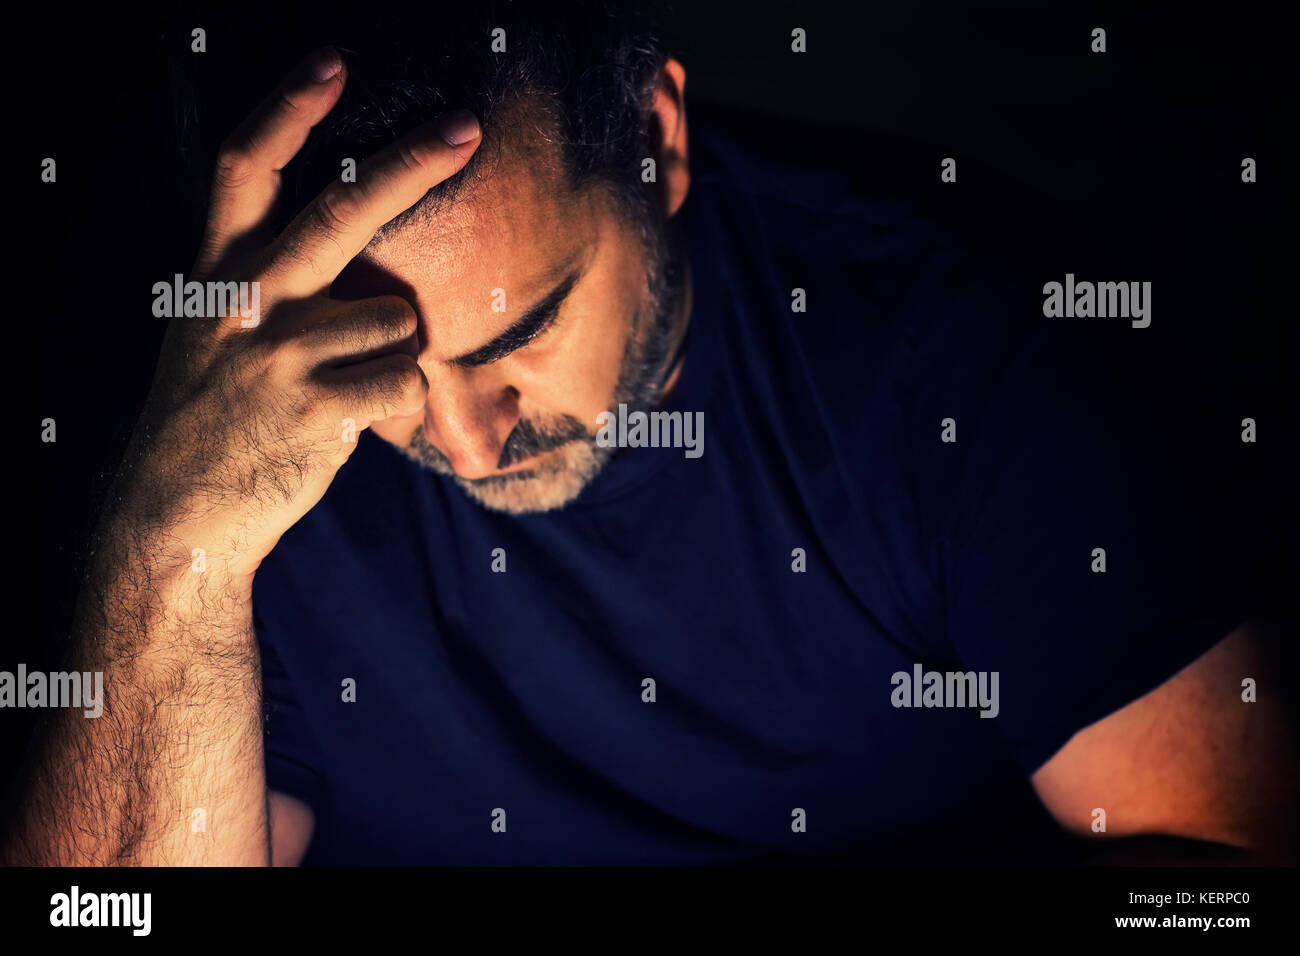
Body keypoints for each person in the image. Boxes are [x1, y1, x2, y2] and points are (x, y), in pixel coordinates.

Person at [5, 1, 1293, 865]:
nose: (463, 439)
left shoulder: (958, 354)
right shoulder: (233, 430)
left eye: (516, 337)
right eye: (378, 369)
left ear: (655, 141)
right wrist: (177, 548)